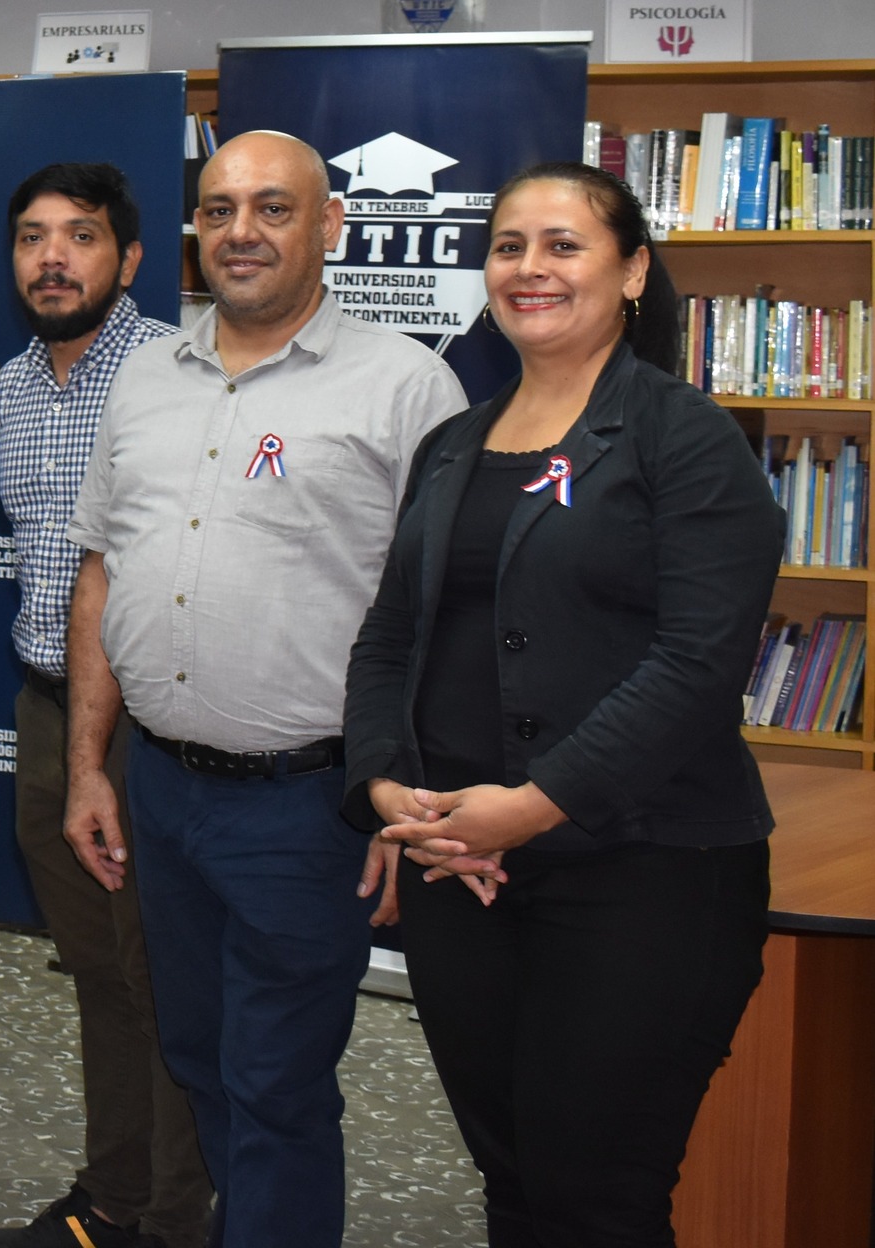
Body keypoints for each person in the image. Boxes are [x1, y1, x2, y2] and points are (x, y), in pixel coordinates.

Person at [347, 162, 778, 1246]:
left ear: (632, 269)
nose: (529, 268)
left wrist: (531, 806)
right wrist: (390, 787)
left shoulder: (687, 438)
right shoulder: (453, 446)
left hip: (647, 874)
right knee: (515, 1181)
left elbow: (696, 665)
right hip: (464, 874)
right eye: (507, 246)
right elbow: (393, 635)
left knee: (598, 1196)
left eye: (563, 244)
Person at [62, 132, 466, 1245]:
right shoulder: (145, 374)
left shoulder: (406, 386)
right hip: (163, 792)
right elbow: (102, 571)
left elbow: (446, 614)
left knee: (276, 1081)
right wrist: (88, 764)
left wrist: (402, 797)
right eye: (219, 208)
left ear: (329, 226)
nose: (242, 231)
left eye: (274, 208)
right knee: (196, 1053)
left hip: (311, 804)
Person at [0, 165, 206, 1248]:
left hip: (151, 724)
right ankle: (114, 1199)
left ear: (131, 258)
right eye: (32, 238)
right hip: (46, 708)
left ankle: (171, 1218)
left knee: (161, 977)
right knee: (100, 975)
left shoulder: (179, 372)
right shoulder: (13, 386)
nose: (52, 258)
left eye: (79, 236)